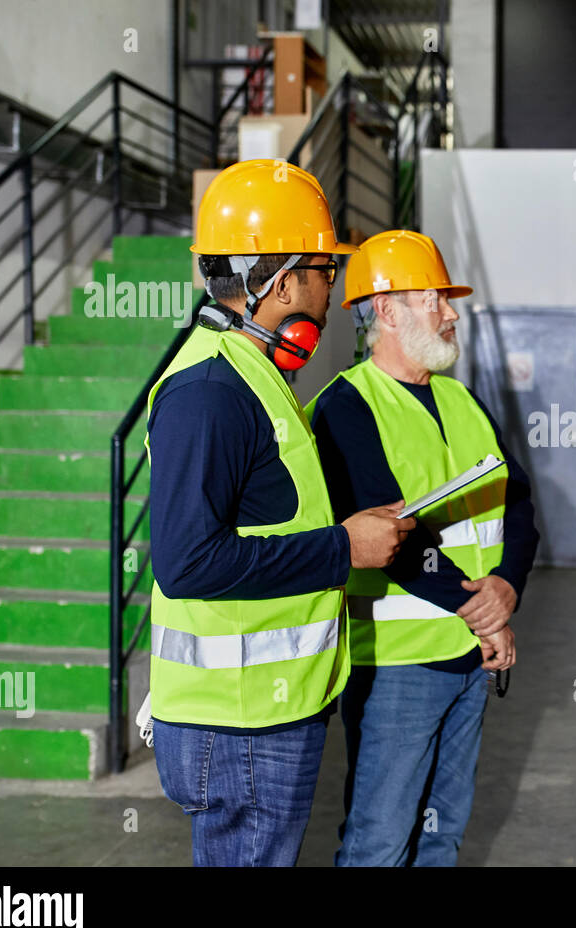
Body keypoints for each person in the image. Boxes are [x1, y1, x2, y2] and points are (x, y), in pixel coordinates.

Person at [146, 159, 415, 867]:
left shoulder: (250, 375)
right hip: (238, 725)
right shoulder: (209, 391)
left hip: (258, 715)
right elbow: (186, 562)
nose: (332, 289)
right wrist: (342, 549)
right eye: (324, 270)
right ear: (282, 280)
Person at [306, 229, 539, 867]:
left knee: (443, 836)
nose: (451, 312)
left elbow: (518, 505)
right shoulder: (346, 407)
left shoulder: (462, 400)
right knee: (380, 840)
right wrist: (483, 609)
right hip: (398, 668)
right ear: (386, 311)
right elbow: (394, 544)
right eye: (435, 299)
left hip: (470, 653)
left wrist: (507, 588)